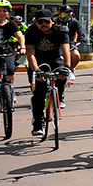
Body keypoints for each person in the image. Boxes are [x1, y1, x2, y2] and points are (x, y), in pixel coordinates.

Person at [24, 8, 70, 137]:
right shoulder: (31, 31)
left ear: (52, 21)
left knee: (62, 76)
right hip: (38, 62)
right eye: (40, 22)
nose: (43, 24)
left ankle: (59, 95)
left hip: (55, 60)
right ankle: (38, 123)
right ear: (36, 23)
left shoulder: (61, 30)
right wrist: (36, 71)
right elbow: (30, 53)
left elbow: (66, 50)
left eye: (46, 22)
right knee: (39, 92)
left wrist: (66, 67)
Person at [0, 0, 25, 113]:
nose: (1, 13)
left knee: (10, 70)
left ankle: (10, 91)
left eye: (4, 11)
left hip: (7, 51)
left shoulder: (11, 24)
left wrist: (22, 47)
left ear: (8, 12)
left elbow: (20, 36)